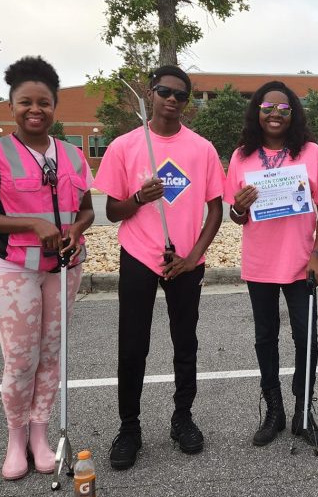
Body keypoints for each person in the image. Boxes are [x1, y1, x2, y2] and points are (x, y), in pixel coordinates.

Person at [0, 56, 95, 480]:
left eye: (44, 102)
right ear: (11, 106)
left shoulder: (74, 156)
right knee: (21, 359)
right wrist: (32, 224)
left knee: (52, 355)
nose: (35, 109)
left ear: (55, 107)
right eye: (26, 102)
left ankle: (41, 435)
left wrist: (76, 228)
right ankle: (15, 438)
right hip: (11, 268)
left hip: (62, 268)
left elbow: (88, 210)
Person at [94, 65, 224, 470]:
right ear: (151, 94)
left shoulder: (201, 149)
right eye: (165, 91)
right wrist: (138, 198)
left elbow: (215, 210)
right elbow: (113, 210)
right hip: (138, 257)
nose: (172, 99)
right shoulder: (125, 146)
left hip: (184, 261)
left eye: (181, 95)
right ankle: (129, 427)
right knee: (133, 345)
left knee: (185, 344)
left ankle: (183, 417)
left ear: (187, 103)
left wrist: (193, 256)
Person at [225, 81, 318, 448]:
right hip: (260, 263)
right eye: (268, 108)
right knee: (265, 337)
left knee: (307, 339)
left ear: (293, 114)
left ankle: (303, 411)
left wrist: (317, 252)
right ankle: (274, 411)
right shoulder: (242, 156)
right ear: (257, 111)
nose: (275, 114)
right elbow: (237, 215)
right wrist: (239, 207)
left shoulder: (311, 152)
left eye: (283, 109)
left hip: (301, 262)